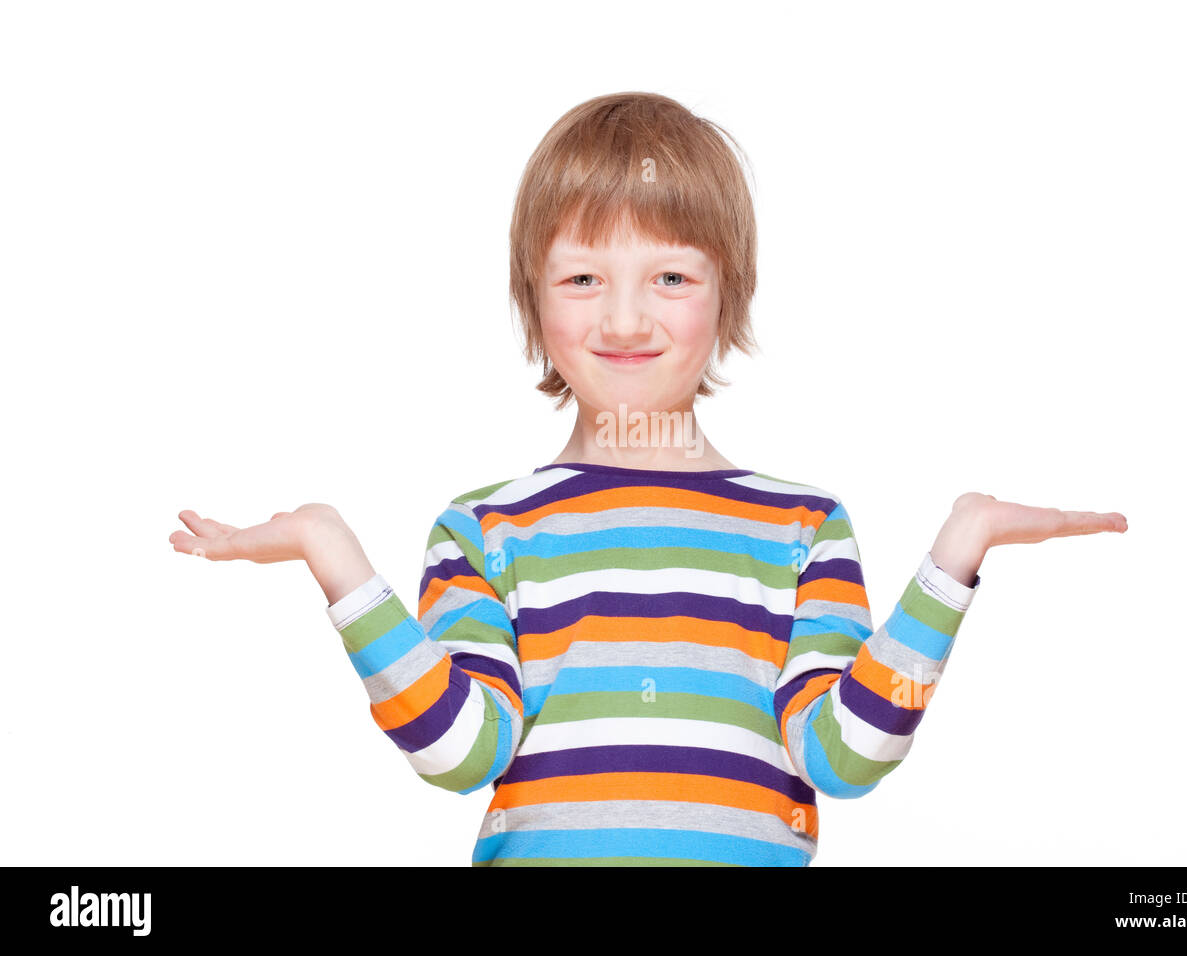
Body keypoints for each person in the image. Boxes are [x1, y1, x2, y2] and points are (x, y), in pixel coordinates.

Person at [168, 91, 1127, 866]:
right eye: (582, 279)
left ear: (728, 295)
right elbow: (462, 755)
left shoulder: (802, 527)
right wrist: (335, 557)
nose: (624, 320)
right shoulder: (485, 529)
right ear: (532, 301)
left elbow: (843, 757)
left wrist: (954, 558)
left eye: (670, 278)